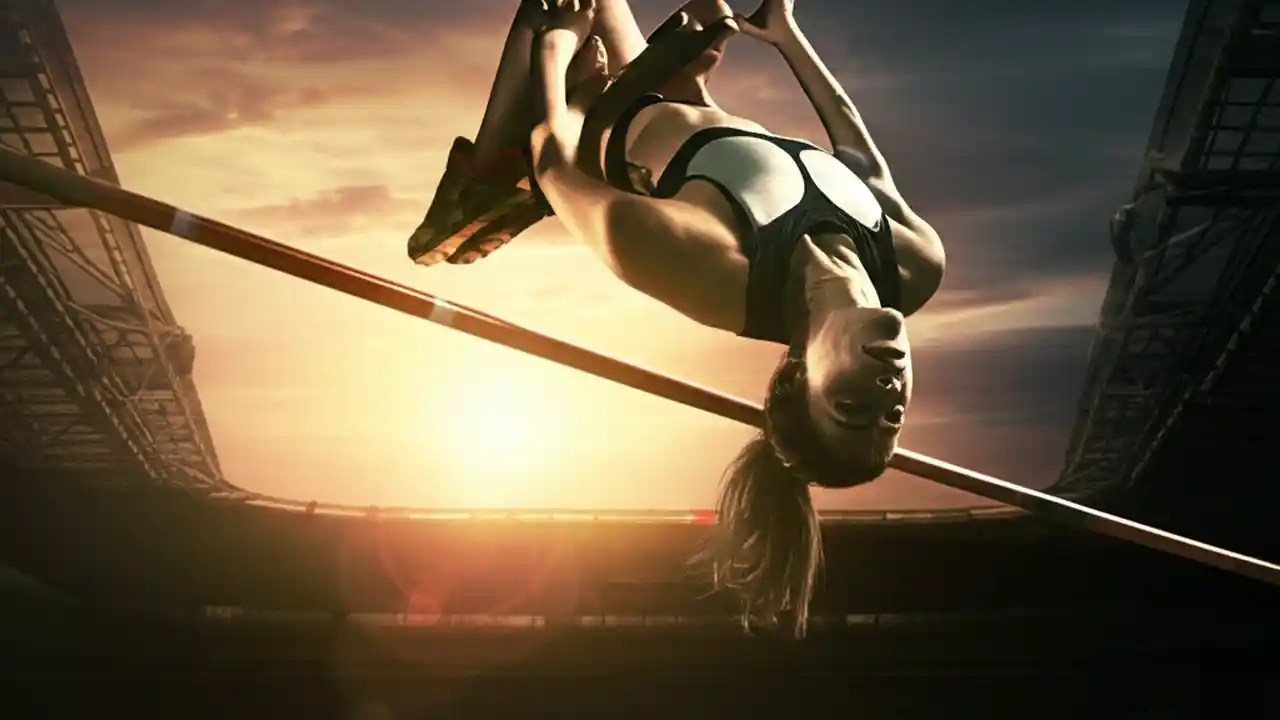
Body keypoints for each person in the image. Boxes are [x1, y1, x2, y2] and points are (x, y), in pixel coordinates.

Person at [416, 0, 945, 637]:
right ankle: (652, 77)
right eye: (894, 414)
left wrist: (558, 57)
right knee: (711, 15)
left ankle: (478, 185)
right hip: (682, 90)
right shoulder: (913, 263)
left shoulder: (718, 273)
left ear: (802, 372)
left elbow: (554, 162)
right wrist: (787, 36)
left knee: (551, 11)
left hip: (606, 118)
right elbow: (860, 156)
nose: (887, 392)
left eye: (851, 409)